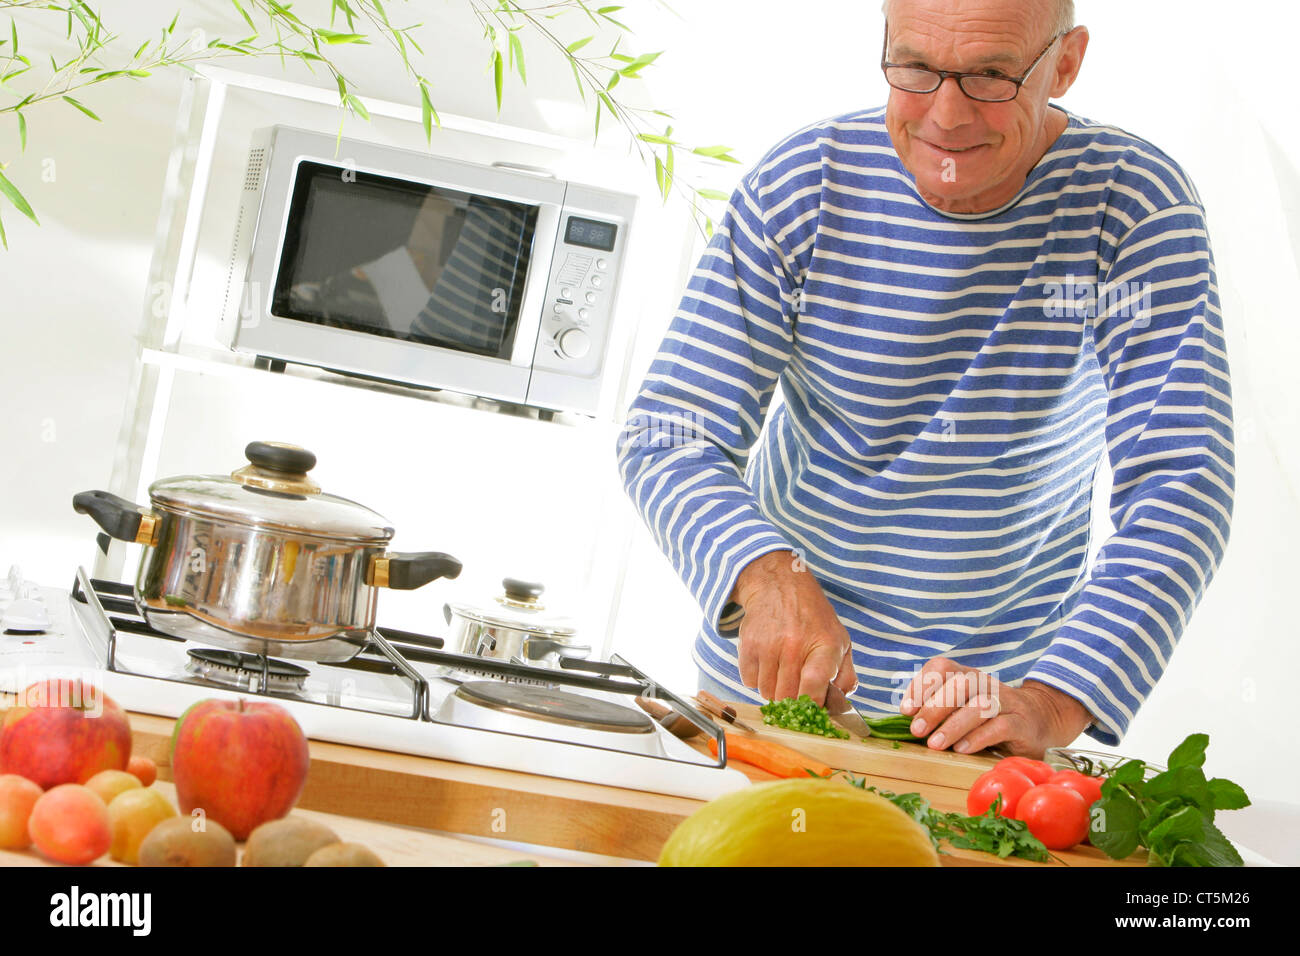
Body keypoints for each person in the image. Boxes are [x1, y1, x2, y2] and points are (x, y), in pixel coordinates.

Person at [615, 0, 1234, 758]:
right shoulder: (805, 183)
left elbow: (1181, 482)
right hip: (768, 706)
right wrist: (765, 571)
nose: (945, 115)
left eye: (991, 76)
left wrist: (1051, 700)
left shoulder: (1130, 206)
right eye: (914, 68)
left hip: (989, 721)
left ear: (1064, 65)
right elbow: (670, 433)